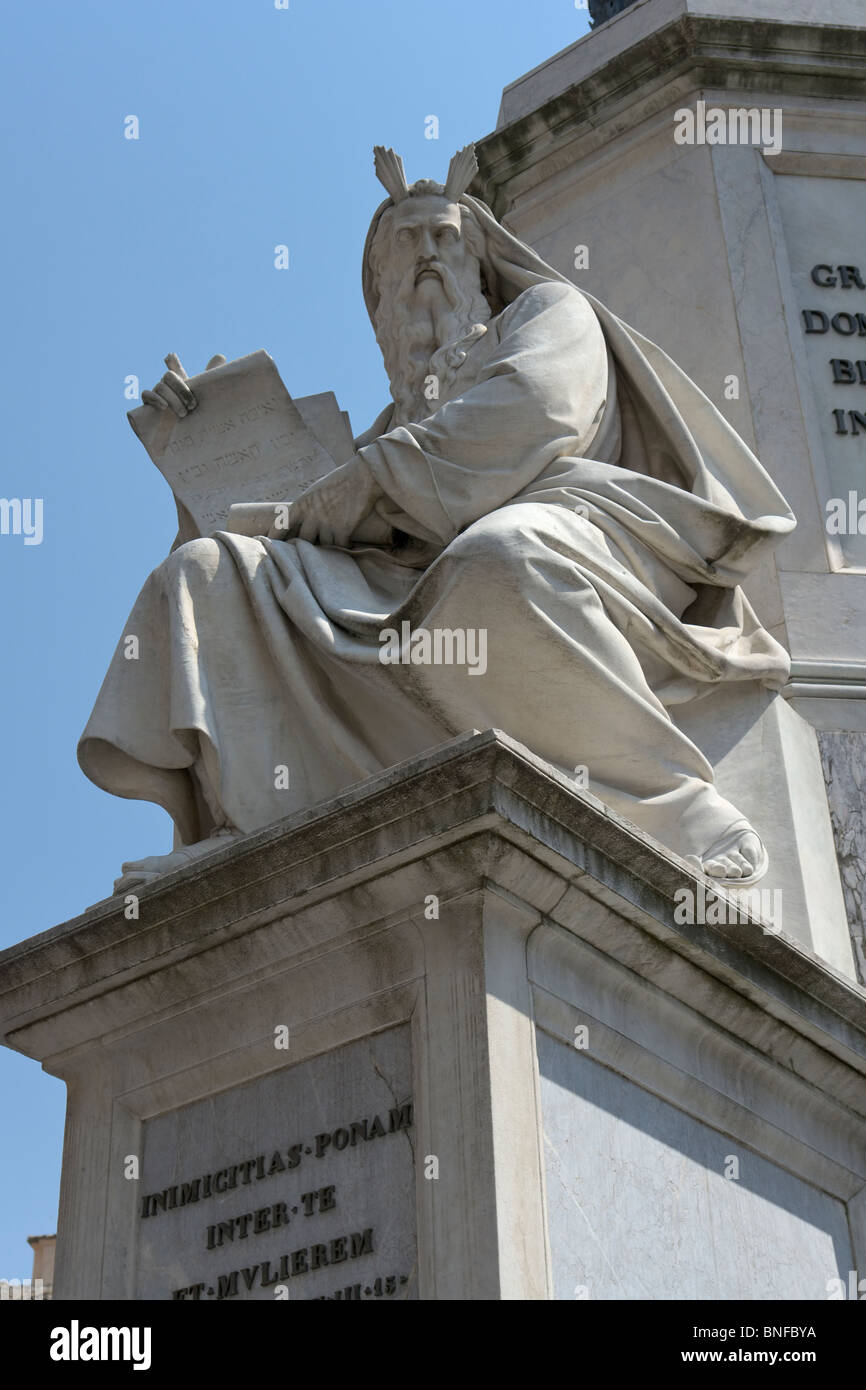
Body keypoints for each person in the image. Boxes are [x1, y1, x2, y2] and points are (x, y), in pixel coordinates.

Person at [78, 145, 795, 893]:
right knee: (205, 572)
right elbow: (291, 525)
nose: (426, 250)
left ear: (478, 261)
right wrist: (200, 456)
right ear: (379, 299)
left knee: (500, 558)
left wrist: (369, 484)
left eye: (443, 236)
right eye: (403, 242)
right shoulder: (384, 429)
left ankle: (670, 804)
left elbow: (538, 410)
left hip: (573, 523)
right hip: (395, 583)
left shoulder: (548, 315)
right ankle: (253, 825)